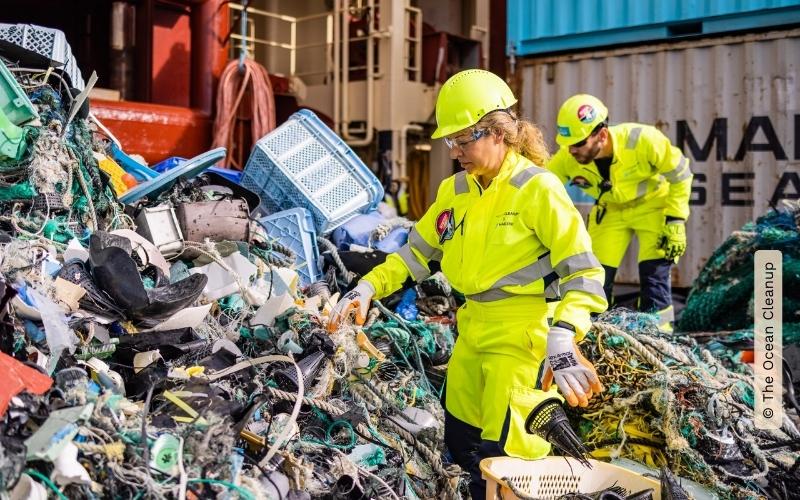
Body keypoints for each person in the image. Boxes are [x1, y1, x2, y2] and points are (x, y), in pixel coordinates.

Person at [327, 70, 607, 499]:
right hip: (471, 334)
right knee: (460, 445)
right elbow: (415, 255)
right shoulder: (455, 190)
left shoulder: (537, 189)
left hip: (520, 341)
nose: (455, 152)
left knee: (506, 461)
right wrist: (367, 287)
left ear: (497, 132)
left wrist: (564, 334)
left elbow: (584, 273)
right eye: (450, 142)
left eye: (463, 140)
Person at [546, 94, 692, 332]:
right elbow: (540, 185)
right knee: (595, 278)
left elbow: (681, 175)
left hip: (652, 207)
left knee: (654, 278)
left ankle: (660, 338)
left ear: (602, 135)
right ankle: (599, 334)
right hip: (611, 212)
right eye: (567, 144)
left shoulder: (644, 140)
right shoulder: (567, 157)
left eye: (578, 143)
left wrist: (676, 220)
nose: (571, 150)